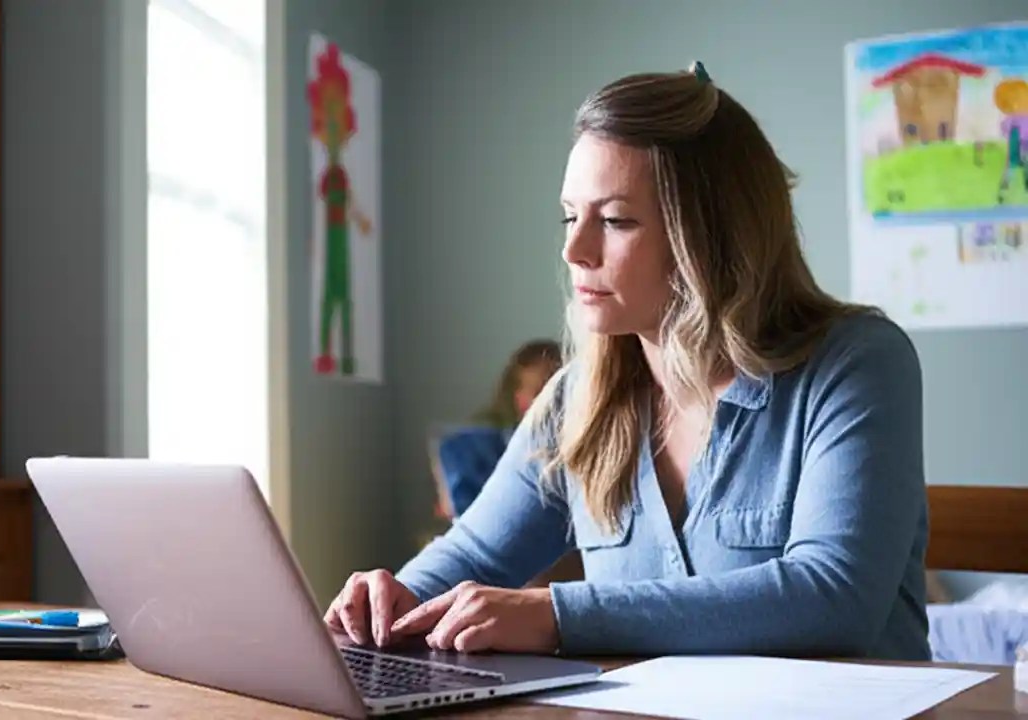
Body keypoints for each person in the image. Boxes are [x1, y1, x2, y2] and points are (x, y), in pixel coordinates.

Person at [324, 61, 929, 661]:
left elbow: (836, 596)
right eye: (570, 215)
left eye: (615, 220)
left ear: (712, 238)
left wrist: (558, 616)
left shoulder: (858, 362)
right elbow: (476, 556)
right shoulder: (575, 399)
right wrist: (393, 600)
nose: (574, 249)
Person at [434, 340, 564, 518]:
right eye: (538, 393)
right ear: (519, 399)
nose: (552, 404)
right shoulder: (471, 449)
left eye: (560, 393)